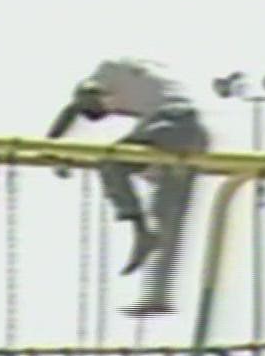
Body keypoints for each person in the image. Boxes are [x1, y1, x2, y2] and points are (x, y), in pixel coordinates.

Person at [45, 58, 210, 316]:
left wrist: (51, 145)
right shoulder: (142, 80)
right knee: (168, 216)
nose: (106, 113)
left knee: (111, 164)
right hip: (195, 132)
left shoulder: (104, 73)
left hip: (171, 124)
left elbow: (75, 107)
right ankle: (158, 296)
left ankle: (141, 230)